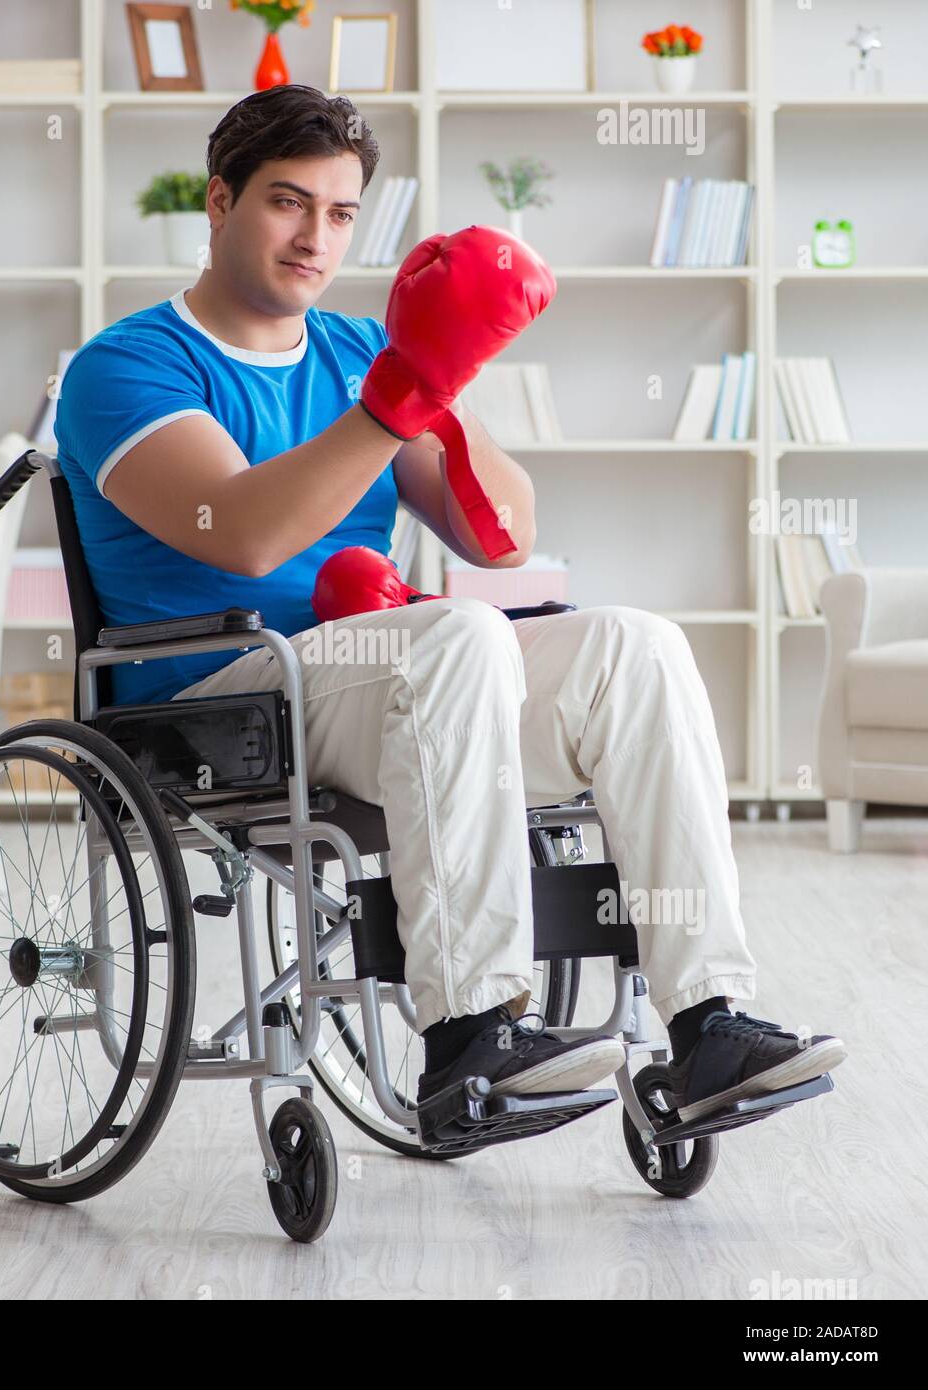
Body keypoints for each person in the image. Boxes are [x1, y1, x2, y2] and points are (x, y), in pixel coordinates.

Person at [54, 84, 846, 1119]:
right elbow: (242, 534)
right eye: (288, 203)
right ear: (219, 200)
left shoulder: (351, 354)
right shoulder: (128, 364)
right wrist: (395, 397)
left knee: (635, 644)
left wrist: (448, 371)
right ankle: (472, 1036)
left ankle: (708, 1026)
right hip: (219, 693)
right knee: (458, 629)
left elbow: (500, 534)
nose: (315, 237)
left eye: (341, 214)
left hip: (386, 677)